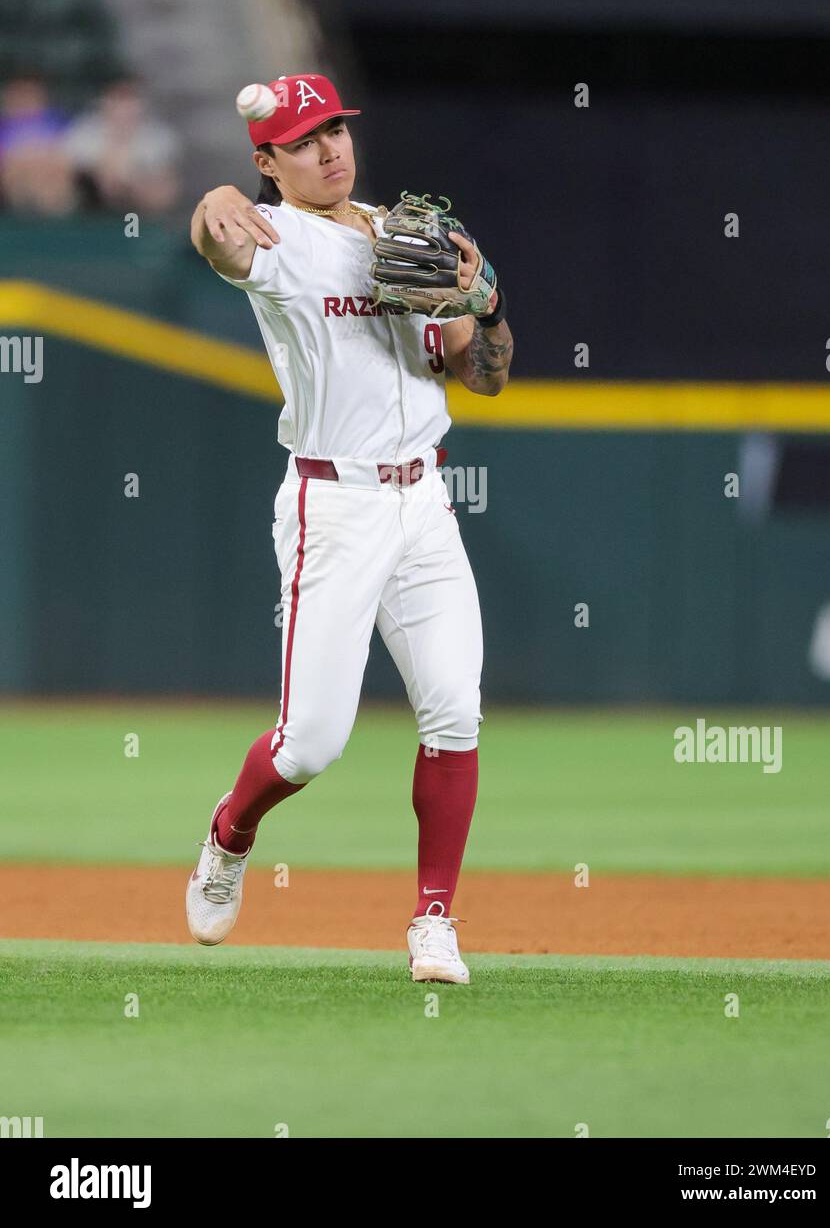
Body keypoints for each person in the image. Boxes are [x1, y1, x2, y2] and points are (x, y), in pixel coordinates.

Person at [185, 72, 513, 983]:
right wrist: (215, 203)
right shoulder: (276, 236)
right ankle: (230, 832)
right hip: (335, 504)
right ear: (269, 163)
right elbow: (219, 244)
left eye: (335, 129)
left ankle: (434, 923)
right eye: (304, 140)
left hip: (425, 504)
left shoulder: (405, 235)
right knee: (311, 744)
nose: (330, 148)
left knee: (454, 711)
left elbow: (480, 375)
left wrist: (480, 302)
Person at [64, 77, 179, 213]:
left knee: (163, 187)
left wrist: (130, 177)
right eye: (118, 102)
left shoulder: (158, 136)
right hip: (90, 194)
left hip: (138, 197)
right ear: (106, 103)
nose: (124, 110)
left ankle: (147, 229)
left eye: (130, 102)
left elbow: (162, 172)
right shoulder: (85, 130)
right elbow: (73, 164)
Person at [0, 75, 76, 214]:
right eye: (20, 95)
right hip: (18, 183)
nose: (25, 101)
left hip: (51, 180)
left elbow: (67, 158)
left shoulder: (57, 122)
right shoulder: (4, 127)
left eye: (30, 94)